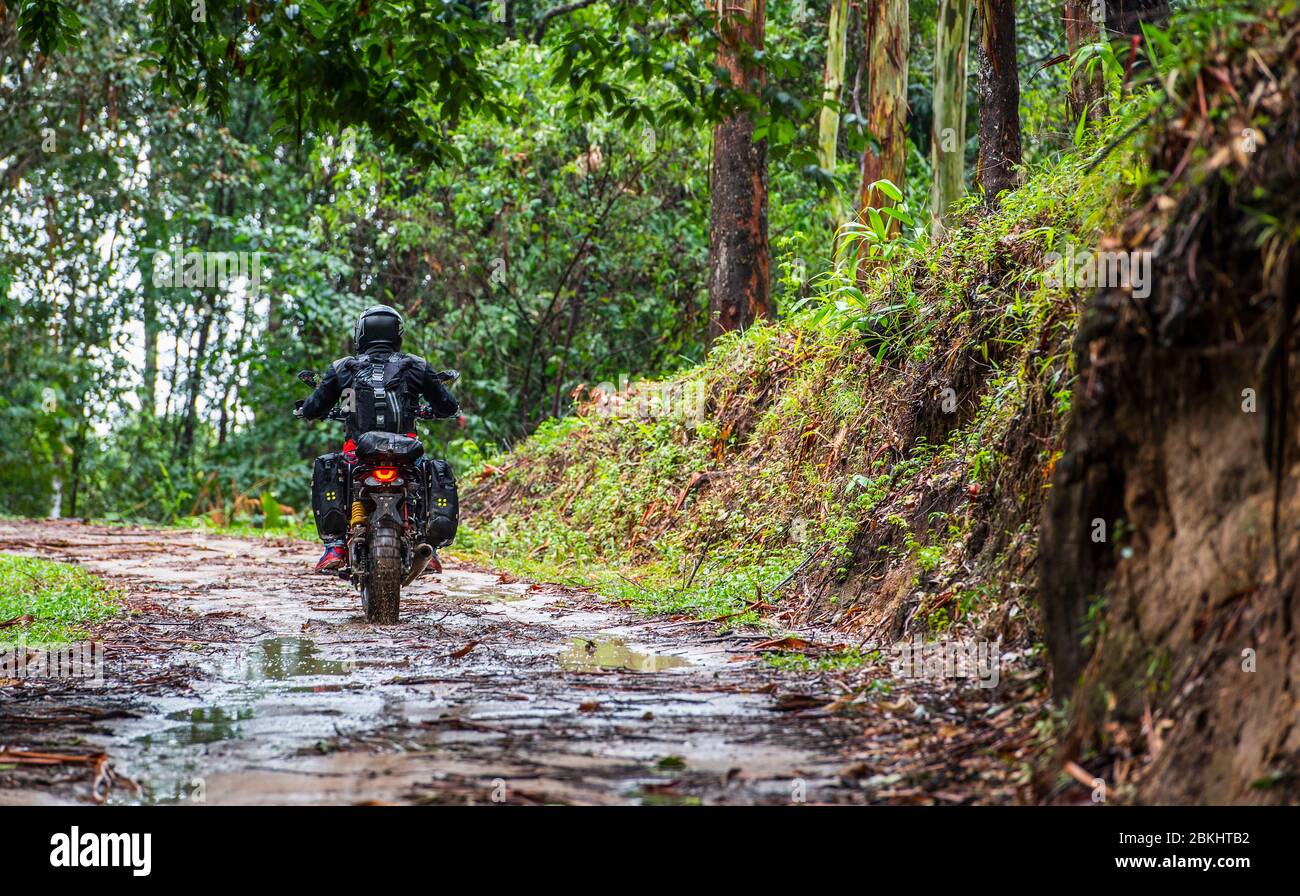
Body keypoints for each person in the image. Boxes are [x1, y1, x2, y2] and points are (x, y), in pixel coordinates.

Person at [297, 305, 462, 571]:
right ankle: (427, 546)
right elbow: (448, 405)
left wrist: (308, 409)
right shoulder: (416, 365)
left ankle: (335, 546)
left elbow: (315, 407)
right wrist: (435, 410)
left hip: (358, 451)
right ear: (397, 333)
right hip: (407, 450)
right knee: (426, 475)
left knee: (330, 466)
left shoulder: (344, 367)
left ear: (361, 333)